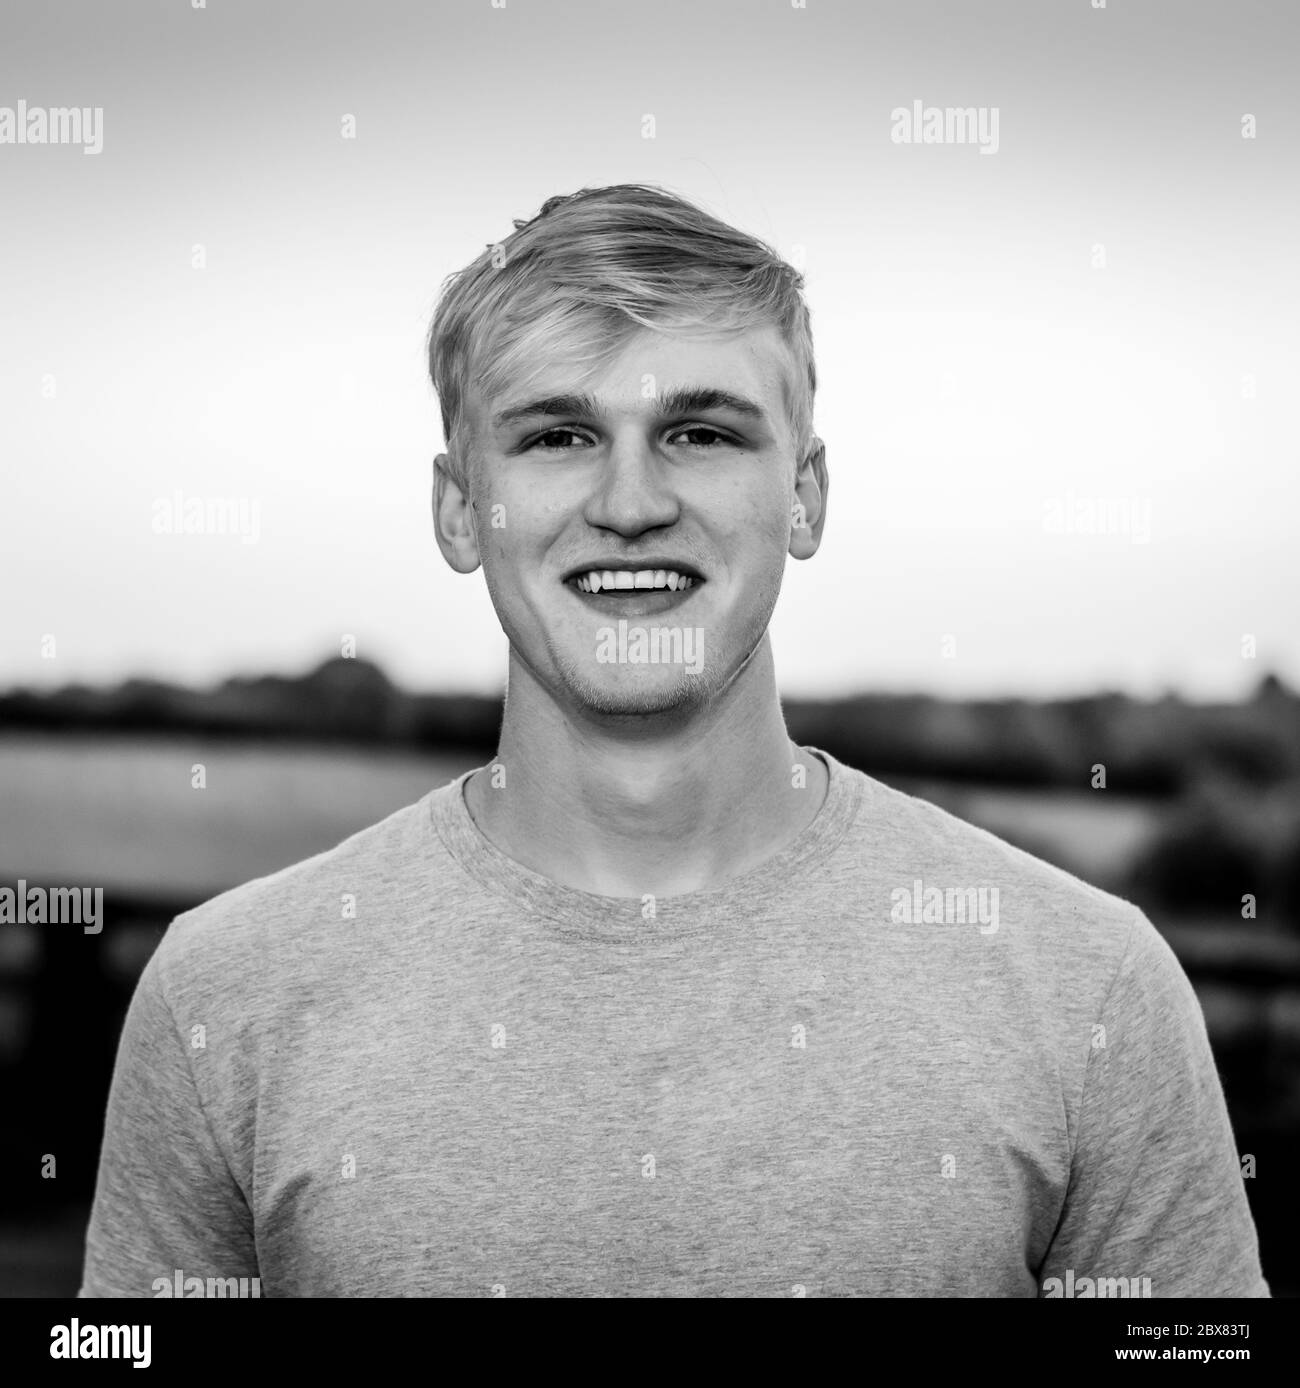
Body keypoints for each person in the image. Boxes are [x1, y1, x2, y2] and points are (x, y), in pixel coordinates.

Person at [80, 184, 1268, 1297]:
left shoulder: (1091, 987)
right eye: (557, 435)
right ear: (457, 508)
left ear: (803, 496)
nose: (632, 501)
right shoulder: (221, 996)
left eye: (700, 433)